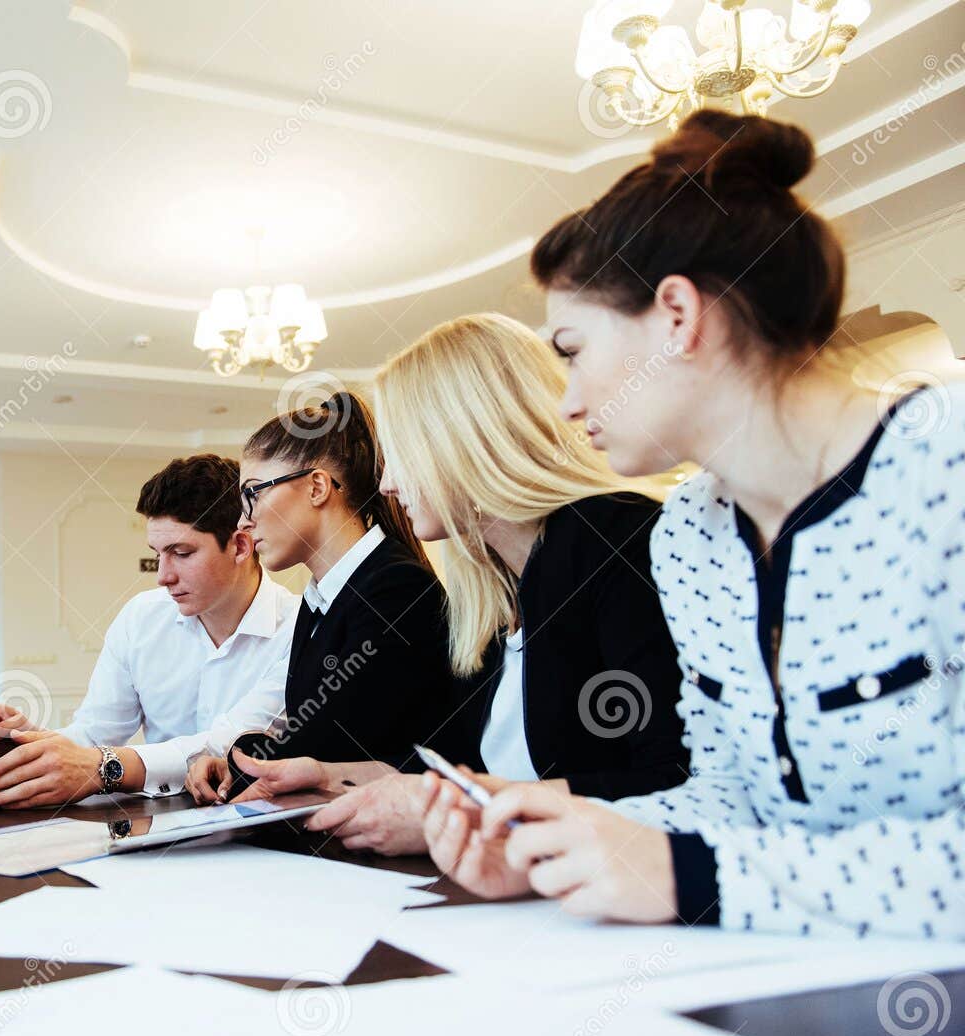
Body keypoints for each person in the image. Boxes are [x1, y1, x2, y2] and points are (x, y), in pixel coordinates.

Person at [425, 110, 964, 940]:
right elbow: (729, 797)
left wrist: (688, 874)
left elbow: (714, 864)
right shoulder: (689, 536)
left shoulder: (944, 473)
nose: (567, 401)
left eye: (572, 350)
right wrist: (550, 839)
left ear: (677, 315)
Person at [233, 315, 690, 855]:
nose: (387, 484)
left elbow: (673, 784)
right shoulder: (491, 596)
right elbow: (458, 768)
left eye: (398, 454)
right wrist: (331, 774)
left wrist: (463, 817)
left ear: (460, 438)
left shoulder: (614, 541)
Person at [0, 453, 300, 808]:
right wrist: (25, 741)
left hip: (263, 825)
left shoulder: (300, 629)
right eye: (158, 554)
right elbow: (93, 737)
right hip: (159, 825)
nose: (163, 576)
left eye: (181, 553)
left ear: (240, 546)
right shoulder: (141, 618)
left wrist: (103, 767)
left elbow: (228, 745)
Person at [186, 390, 471, 804]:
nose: (244, 521)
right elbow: (311, 737)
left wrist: (241, 757)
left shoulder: (395, 588)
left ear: (317, 487)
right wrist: (236, 762)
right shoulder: (321, 598)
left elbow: (331, 747)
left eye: (253, 493)